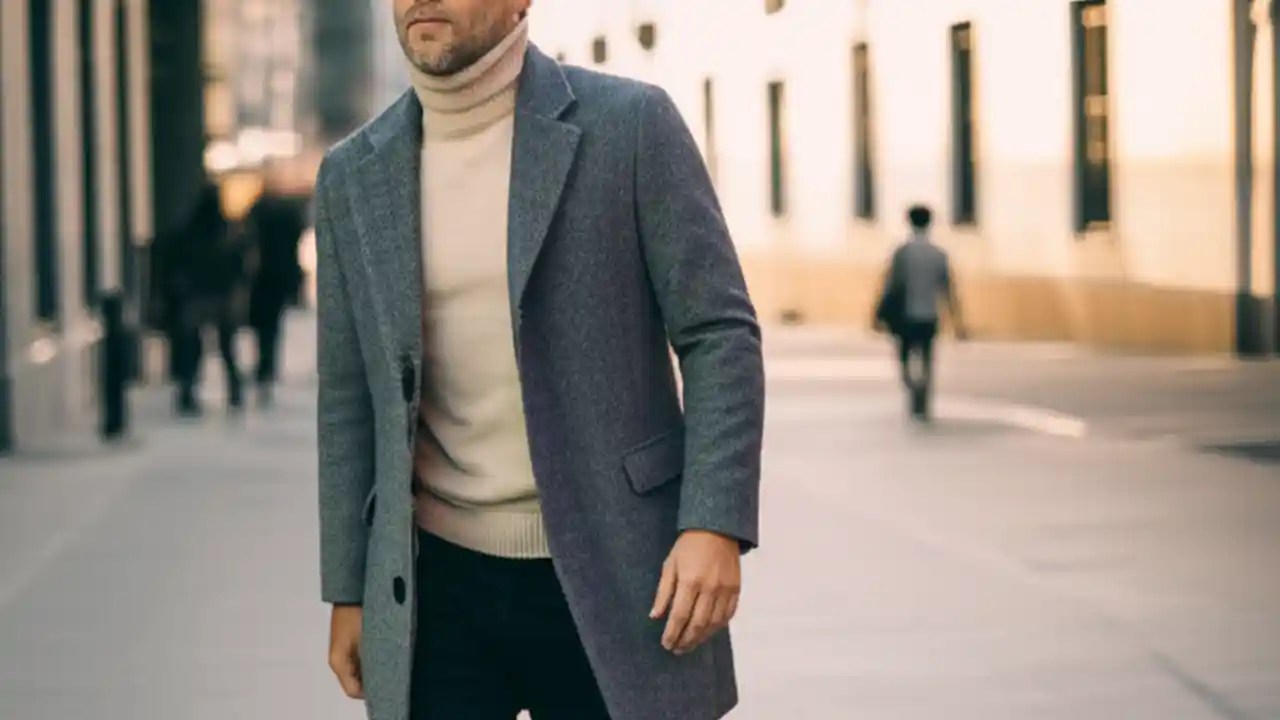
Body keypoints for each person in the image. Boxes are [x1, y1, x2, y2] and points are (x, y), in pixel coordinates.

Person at [315, 2, 765, 720]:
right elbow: (346, 396)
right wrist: (347, 587)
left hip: (618, 569)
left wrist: (712, 523)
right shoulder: (351, 176)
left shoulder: (631, 127)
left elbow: (720, 334)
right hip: (439, 586)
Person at [164, 182, 248, 416]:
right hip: (220, 296)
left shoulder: (189, 230)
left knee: (193, 348)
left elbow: (175, 261)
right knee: (226, 348)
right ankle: (234, 391)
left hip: (196, 297)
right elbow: (239, 265)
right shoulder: (228, 231)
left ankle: (188, 392)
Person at [876, 204, 964, 421]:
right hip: (929, 315)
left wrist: (878, 312)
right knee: (926, 358)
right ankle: (923, 395)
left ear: (909, 222)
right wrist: (957, 320)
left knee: (905, 357)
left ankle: (912, 388)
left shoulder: (902, 253)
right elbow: (948, 288)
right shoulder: (938, 254)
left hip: (906, 315)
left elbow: (891, 284)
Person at [244, 176, 306, 407]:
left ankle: (264, 365)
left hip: (262, 277)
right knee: (272, 326)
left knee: (263, 325)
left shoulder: (258, 215)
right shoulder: (287, 217)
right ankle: (267, 366)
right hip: (279, 277)